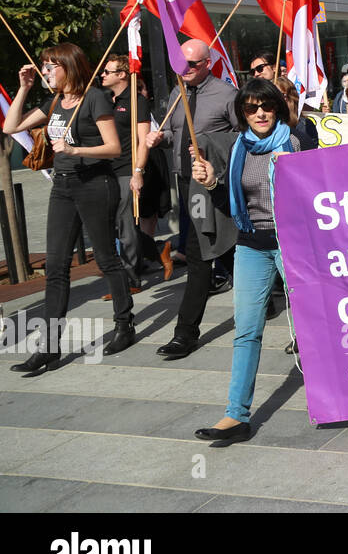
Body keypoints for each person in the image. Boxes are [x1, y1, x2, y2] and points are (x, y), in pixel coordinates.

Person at [4, 45, 137, 372]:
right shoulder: (54, 102)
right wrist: (23, 88)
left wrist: (75, 149)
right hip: (62, 187)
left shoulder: (94, 98)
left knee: (106, 258)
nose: (46, 71)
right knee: (56, 266)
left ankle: (124, 323)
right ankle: (49, 347)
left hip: (94, 184)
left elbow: (114, 148)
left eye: (51, 66)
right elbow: (10, 127)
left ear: (69, 67)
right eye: (44, 66)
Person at [191, 79, 300, 445]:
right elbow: (230, 200)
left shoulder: (292, 143)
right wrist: (210, 183)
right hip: (251, 244)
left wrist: (293, 172)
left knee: (314, 326)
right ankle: (236, 415)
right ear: (242, 113)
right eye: (251, 108)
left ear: (277, 108)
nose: (259, 114)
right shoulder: (239, 146)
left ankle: (341, 393)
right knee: (246, 331)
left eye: (266, 106)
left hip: (292, 244)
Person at [142, 39, 241, 361]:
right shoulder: (177, 93)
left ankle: (185, 333)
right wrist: (160, 139)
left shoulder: (226, 95)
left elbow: (243, 137)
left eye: (193, 65)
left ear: (208, 63)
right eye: (182, 65)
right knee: (212, 246)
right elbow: (174, 132)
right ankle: (261, 297)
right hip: (185, 184)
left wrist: (212, 149)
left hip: (214, 183)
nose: (186, 70)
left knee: (206, 252)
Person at [98, 54, 151, 296]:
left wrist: (137, 172)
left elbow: (143, 141)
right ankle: (156, 249)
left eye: (107, 71)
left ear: (122, 74)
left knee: (126, 225)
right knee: (111, 224)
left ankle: (131, 279)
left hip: (125, 170)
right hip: (104, 171)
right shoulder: (104, 100)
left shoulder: (136, 101)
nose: (103, 75)